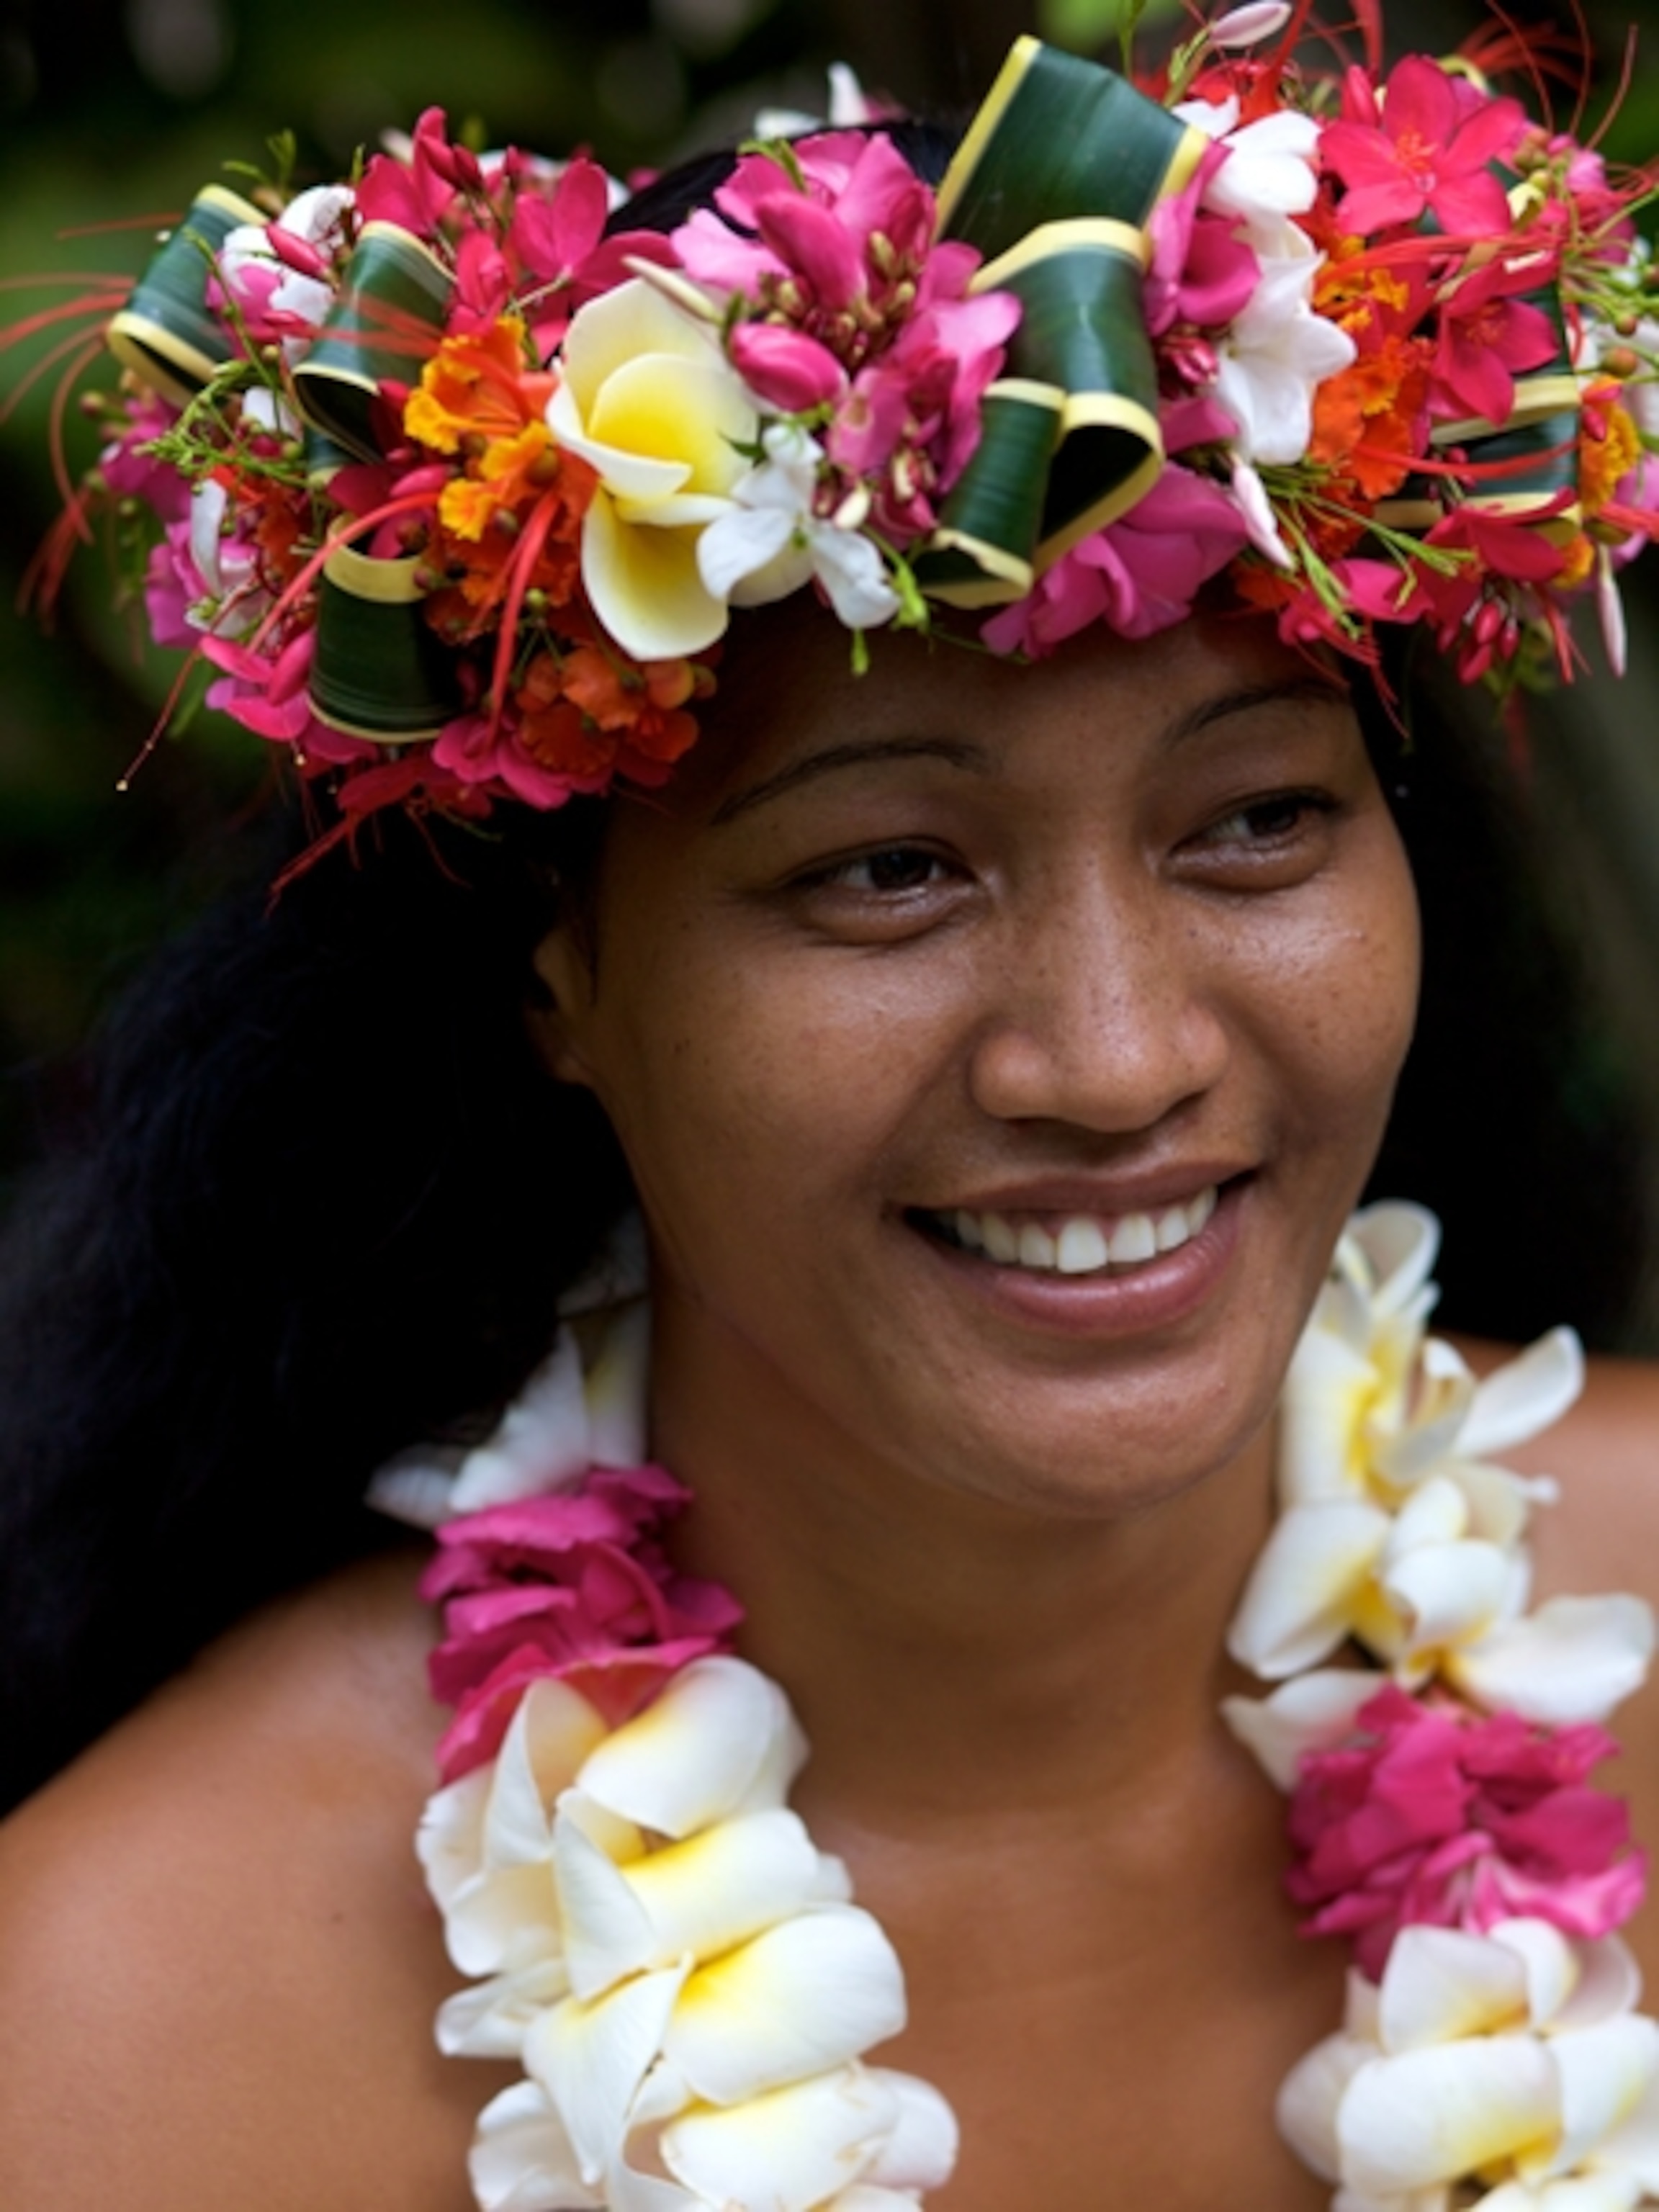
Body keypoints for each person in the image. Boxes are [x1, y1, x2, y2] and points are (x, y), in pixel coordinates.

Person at [1, 17, 1659, 2211]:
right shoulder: (119, 2042)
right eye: (889, 869)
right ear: (555, 973)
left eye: (1255, 820)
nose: (1116, 1056)